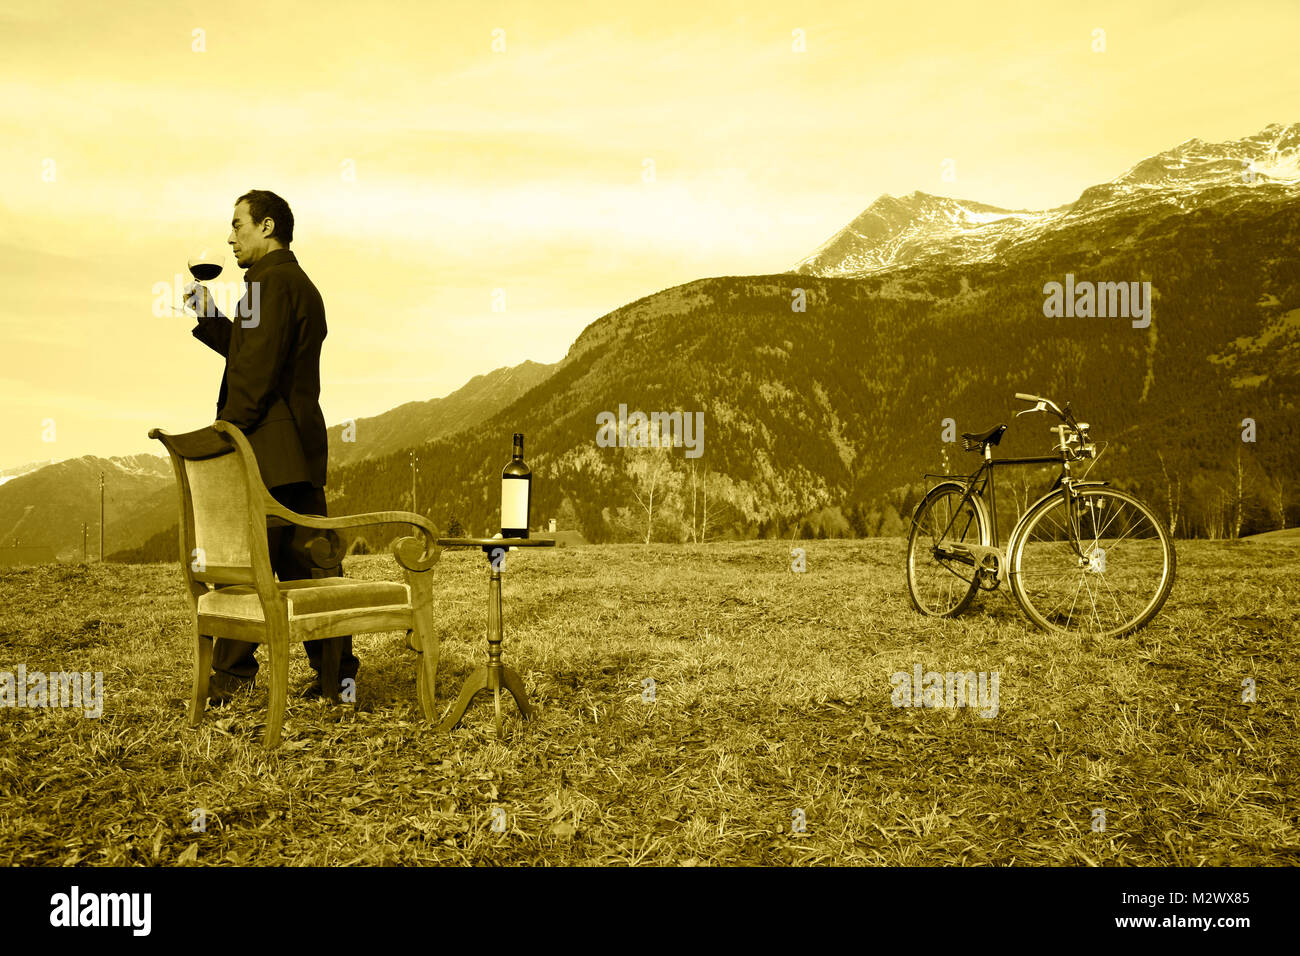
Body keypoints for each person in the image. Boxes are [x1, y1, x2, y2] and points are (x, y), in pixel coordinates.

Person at [185, 189, 357, 703]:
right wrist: (211, 316)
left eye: (237, 225)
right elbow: (253, 350)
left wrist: (227, 435)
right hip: (295, 449)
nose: (229, 237)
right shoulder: (290, 282)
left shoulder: (266, 283)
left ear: (266, 226)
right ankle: (336, 681)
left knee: (247, 565)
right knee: (310, 568)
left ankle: (231, 682)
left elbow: (254, 372)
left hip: (265, 449)